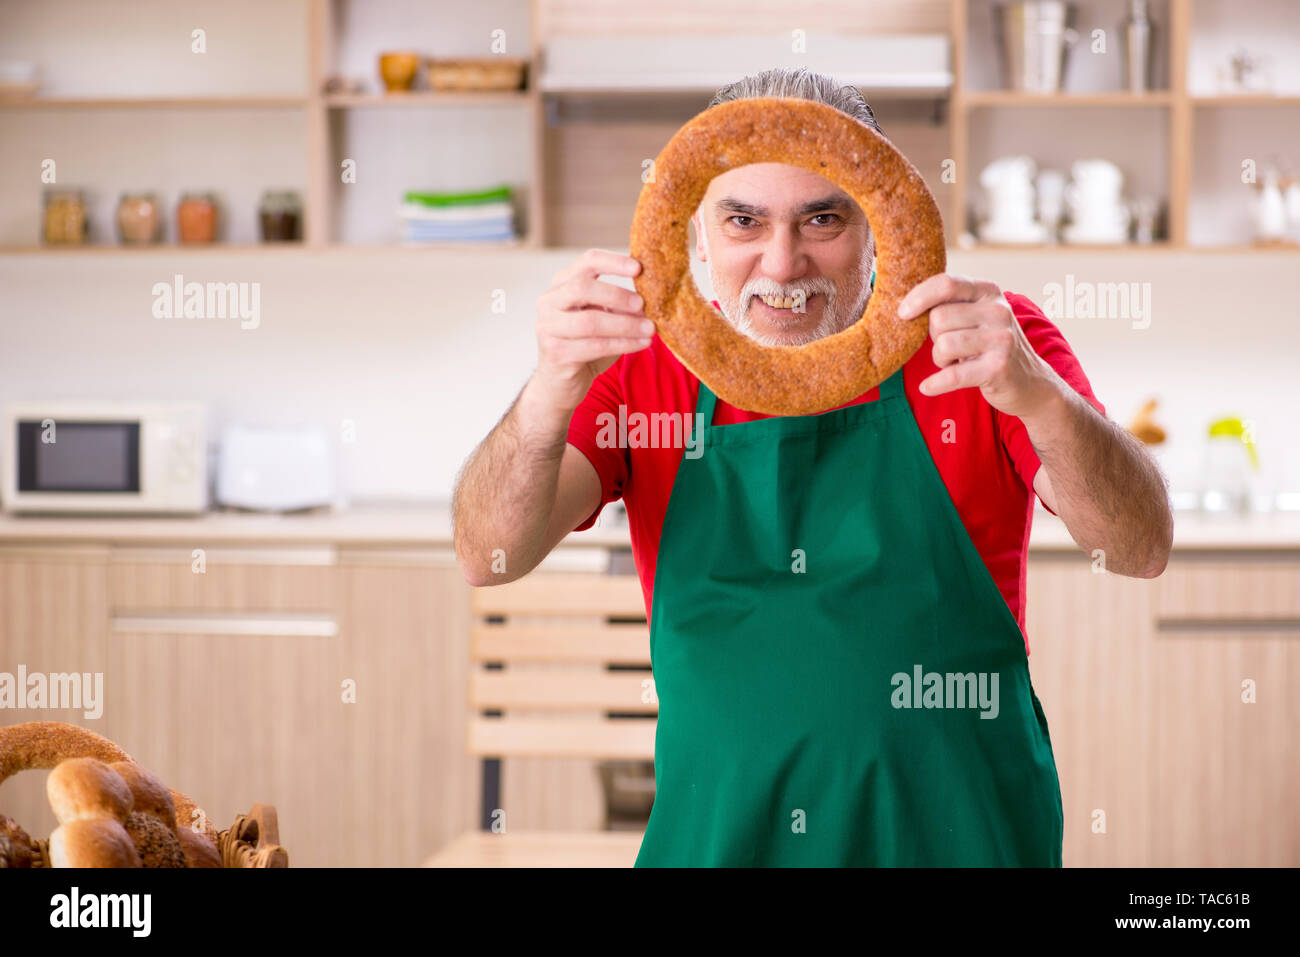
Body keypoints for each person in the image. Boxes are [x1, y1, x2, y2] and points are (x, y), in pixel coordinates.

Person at [452, 67, 1173, 866]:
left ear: (878, 227)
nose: (782, 263)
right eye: (744, 221)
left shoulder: (982, 342)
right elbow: (490, 554)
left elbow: (1138, 547)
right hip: (719, 845)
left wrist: (1038, 397)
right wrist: (550, 389)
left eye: (821, 219)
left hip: (963, 839)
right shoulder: (640, 367)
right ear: (697, 233)